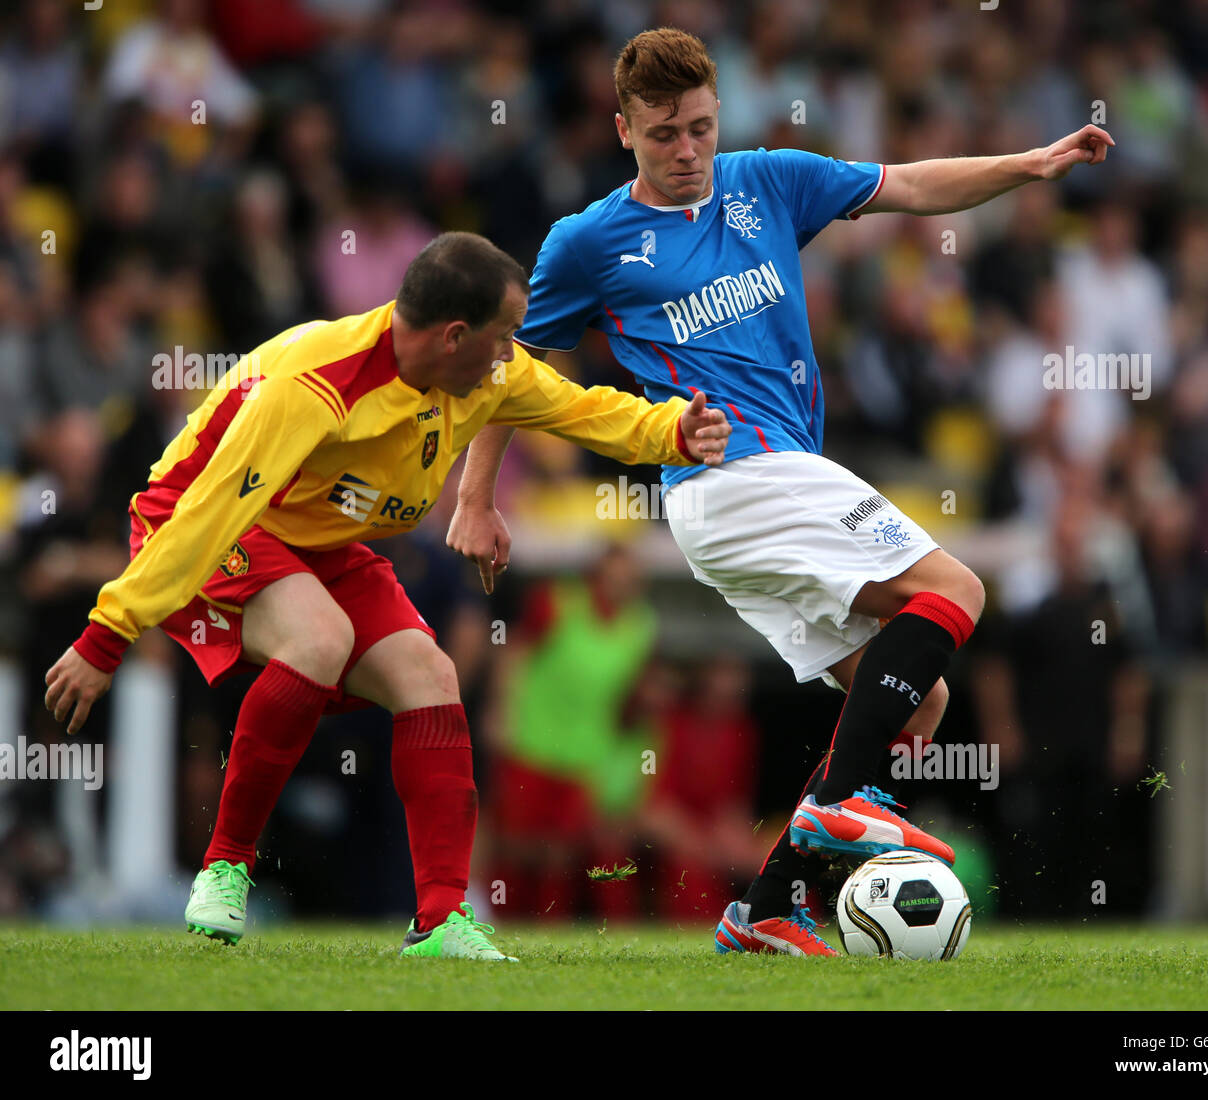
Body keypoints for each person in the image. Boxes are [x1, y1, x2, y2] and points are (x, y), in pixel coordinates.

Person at [448, 28, 1113, 956]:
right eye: (664, 134)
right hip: (728, 474)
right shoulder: (589, 240)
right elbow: (509, 366)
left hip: (750, 494)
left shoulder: (769, 181)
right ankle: (842, 806)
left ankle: (765, 902)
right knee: (956, 592)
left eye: (700, 130)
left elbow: (909, 185)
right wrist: (477, 500)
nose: (686, 152)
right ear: (623, 130)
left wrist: (1030, 164)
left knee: (920, 706)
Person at [42, 231, 731, 960]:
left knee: (430, 677)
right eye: (502, 339)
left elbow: (582, 410)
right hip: (205, 522)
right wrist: (105, 638)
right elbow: (208, 513)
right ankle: (226, 868)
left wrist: (672, 433)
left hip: (318, 540)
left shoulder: (485, 374)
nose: (511, 355)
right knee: (320, 639)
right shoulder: (313, 386)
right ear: (455, 335)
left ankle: (438, 922)